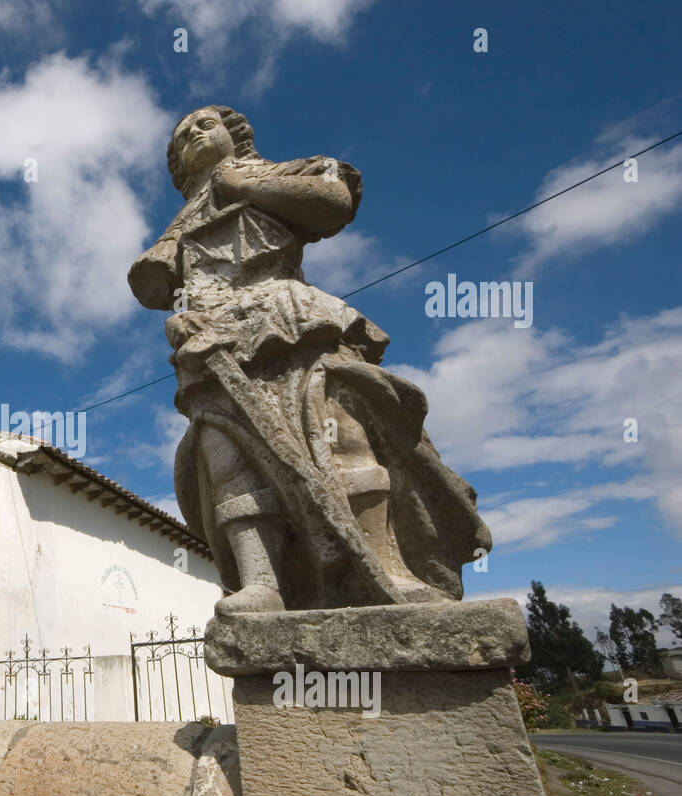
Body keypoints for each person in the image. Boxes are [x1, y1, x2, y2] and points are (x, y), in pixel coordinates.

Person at [128, 105, 490, 613]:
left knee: (339, 429)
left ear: (235, 135)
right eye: (182, 137)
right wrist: (183, 316)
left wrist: (241, 186)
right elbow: (154, 285)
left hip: (286, 314)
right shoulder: (179, 226)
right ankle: (262, 582)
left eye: (204, 125)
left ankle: (386, 567)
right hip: (211, 341)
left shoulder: (268, 174)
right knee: (225, 453)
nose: (193, 135)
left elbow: (333, 200)